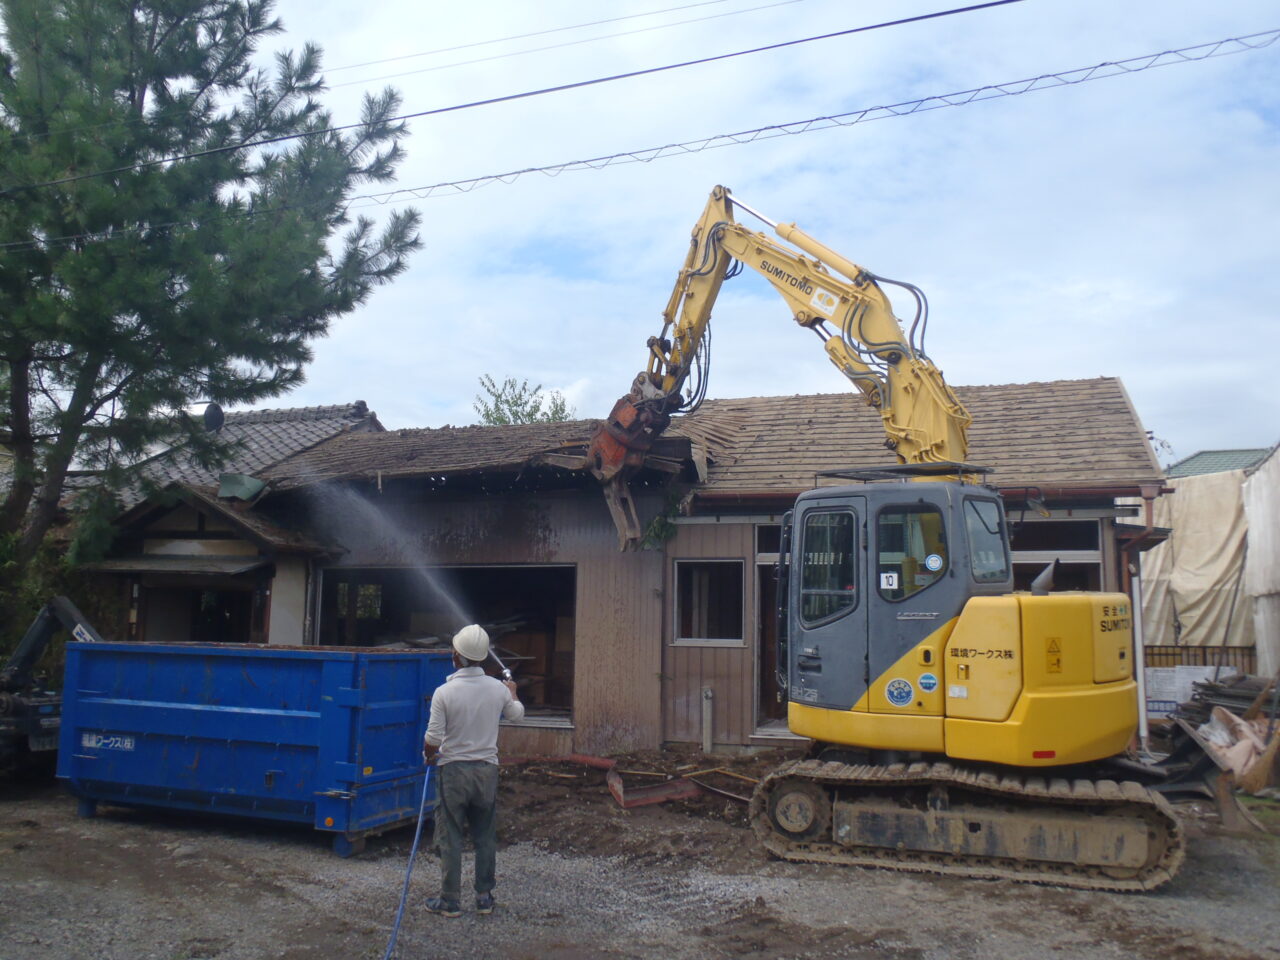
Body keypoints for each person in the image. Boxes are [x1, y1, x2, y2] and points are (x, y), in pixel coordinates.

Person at [422, 624, 524, 918]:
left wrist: (429, 756)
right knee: (485, 835)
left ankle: (450, 901)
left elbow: (432, 739)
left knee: (451, 834)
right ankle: (484, 898)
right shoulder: (497, 689)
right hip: (486, 772)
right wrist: (513, 693)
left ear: (456, 655)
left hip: (453, 771)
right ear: (482, 657)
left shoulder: (444, 692)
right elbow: (517, 716)